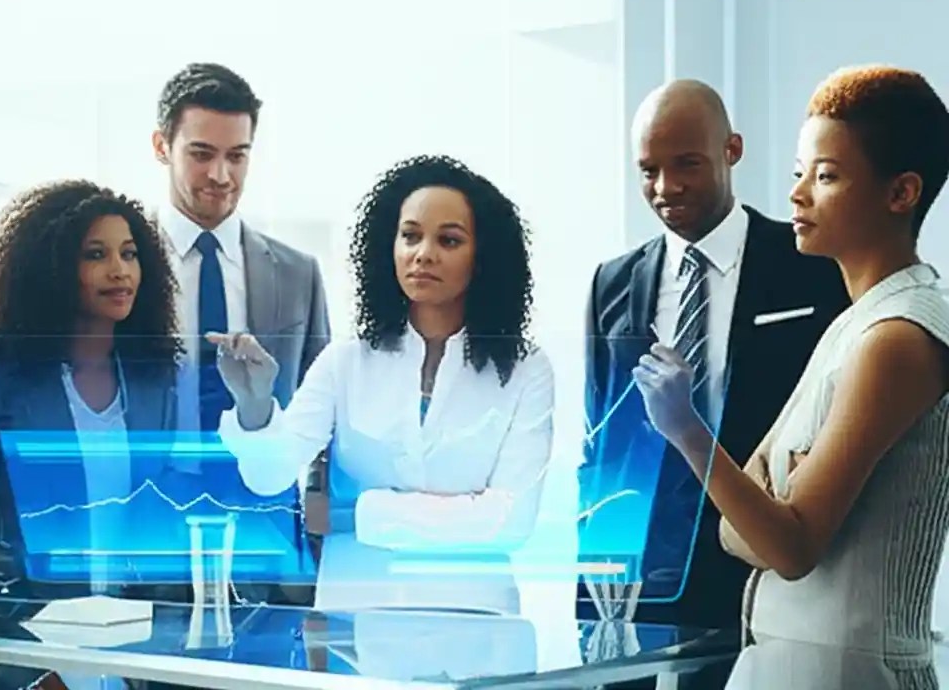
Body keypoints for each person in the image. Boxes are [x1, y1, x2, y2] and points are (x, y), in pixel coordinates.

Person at [636, 65, 949, 689]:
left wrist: (687, 431)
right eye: (798, 173)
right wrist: (773, 501)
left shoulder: (898, 337)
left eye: (826, 175)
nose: (798, 194)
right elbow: (738, 528)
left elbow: (790, 548)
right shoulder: (853, 326)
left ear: (901, 192)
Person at [209, 155, 555, 613]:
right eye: (410, 236)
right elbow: (269, 476)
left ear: (485, 257)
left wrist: (355, 514)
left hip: (478, 631)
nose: (423, 253)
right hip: (358, 633)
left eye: (449, 240)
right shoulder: (346, 361)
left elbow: (511, 521)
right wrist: (255, 406)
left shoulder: (526, 369)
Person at [581, 79, 850, 647]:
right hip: (643, 585)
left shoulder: (814, 267)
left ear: (733, 150)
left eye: (686, 165)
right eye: (647, 170)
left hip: (769, 564)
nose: (665, 187)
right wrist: (596, 589)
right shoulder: (613, 282)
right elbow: (602, 448)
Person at [0, 181, 188, 690]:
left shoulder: (153, 380)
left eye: (129, 253)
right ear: (56, 270)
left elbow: (159, 522)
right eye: (95, 255)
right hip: (37, 651)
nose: (119, 270)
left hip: (132, 649)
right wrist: (43, 665)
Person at [151, 62, 331, 597]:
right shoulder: (122, 265)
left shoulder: (298, 273)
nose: (221, 176)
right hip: (154, 521)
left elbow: (325, 414)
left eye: (237, 155)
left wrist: (319, 528)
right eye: (202, 154)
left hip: (267, 531)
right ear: (162, 146)